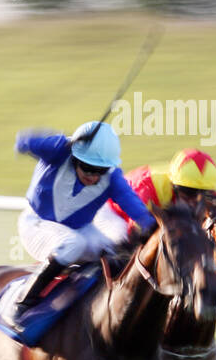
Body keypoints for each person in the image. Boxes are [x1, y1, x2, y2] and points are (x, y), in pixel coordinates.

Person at [13, 120, 155, 310]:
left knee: (118, 252)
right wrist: (63, 142)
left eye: (100, 170)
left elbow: (140, 214)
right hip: (37, 224)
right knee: (73, 244)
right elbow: (23, 142)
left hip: (80, 230)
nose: (93, 176)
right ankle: (24, 300)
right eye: (87, 167)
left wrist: (156, 228)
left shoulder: (112, 178)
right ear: (75, 157)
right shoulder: (58, 152)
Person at [95, 148, 216, 241]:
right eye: (188, 192)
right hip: (112, 211)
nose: (195, 200)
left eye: (203, 194)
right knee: (121, 239)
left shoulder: (200, 186)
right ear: (174, 185)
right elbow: (137, 231)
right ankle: (88, 274)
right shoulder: (148, 189)